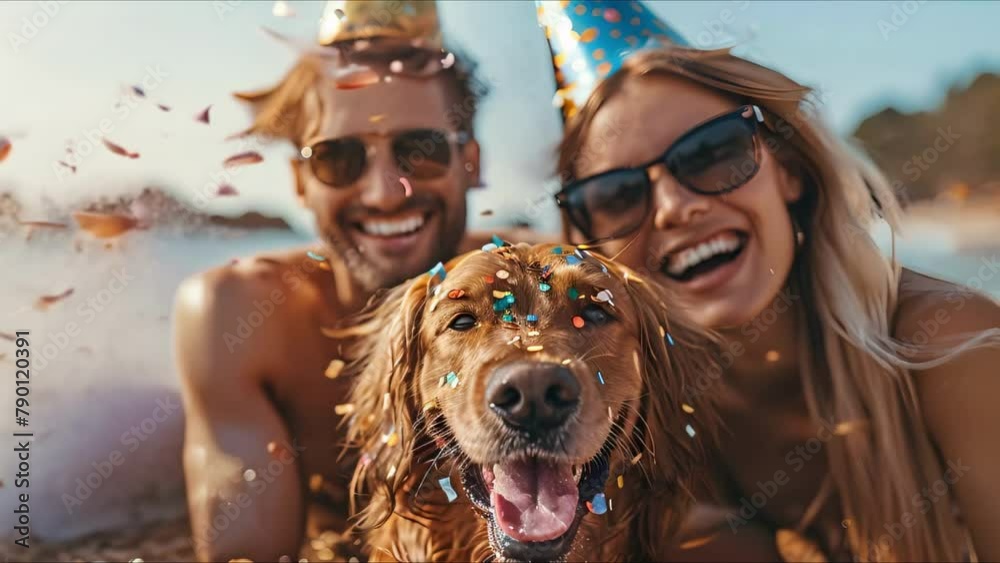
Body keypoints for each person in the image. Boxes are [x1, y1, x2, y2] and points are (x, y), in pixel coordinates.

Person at [538, 1, 1000, 561]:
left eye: (712, 153)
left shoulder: (952, 346)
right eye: (616, 196)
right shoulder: (621, 420)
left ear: (790, 170)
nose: (674, 208)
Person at [174, 2, 500, 560]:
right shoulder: (242, 316)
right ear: (300, 182)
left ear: (469, 162)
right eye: (338, 158)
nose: (381, 192)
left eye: (419, 151)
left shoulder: (540, 289)